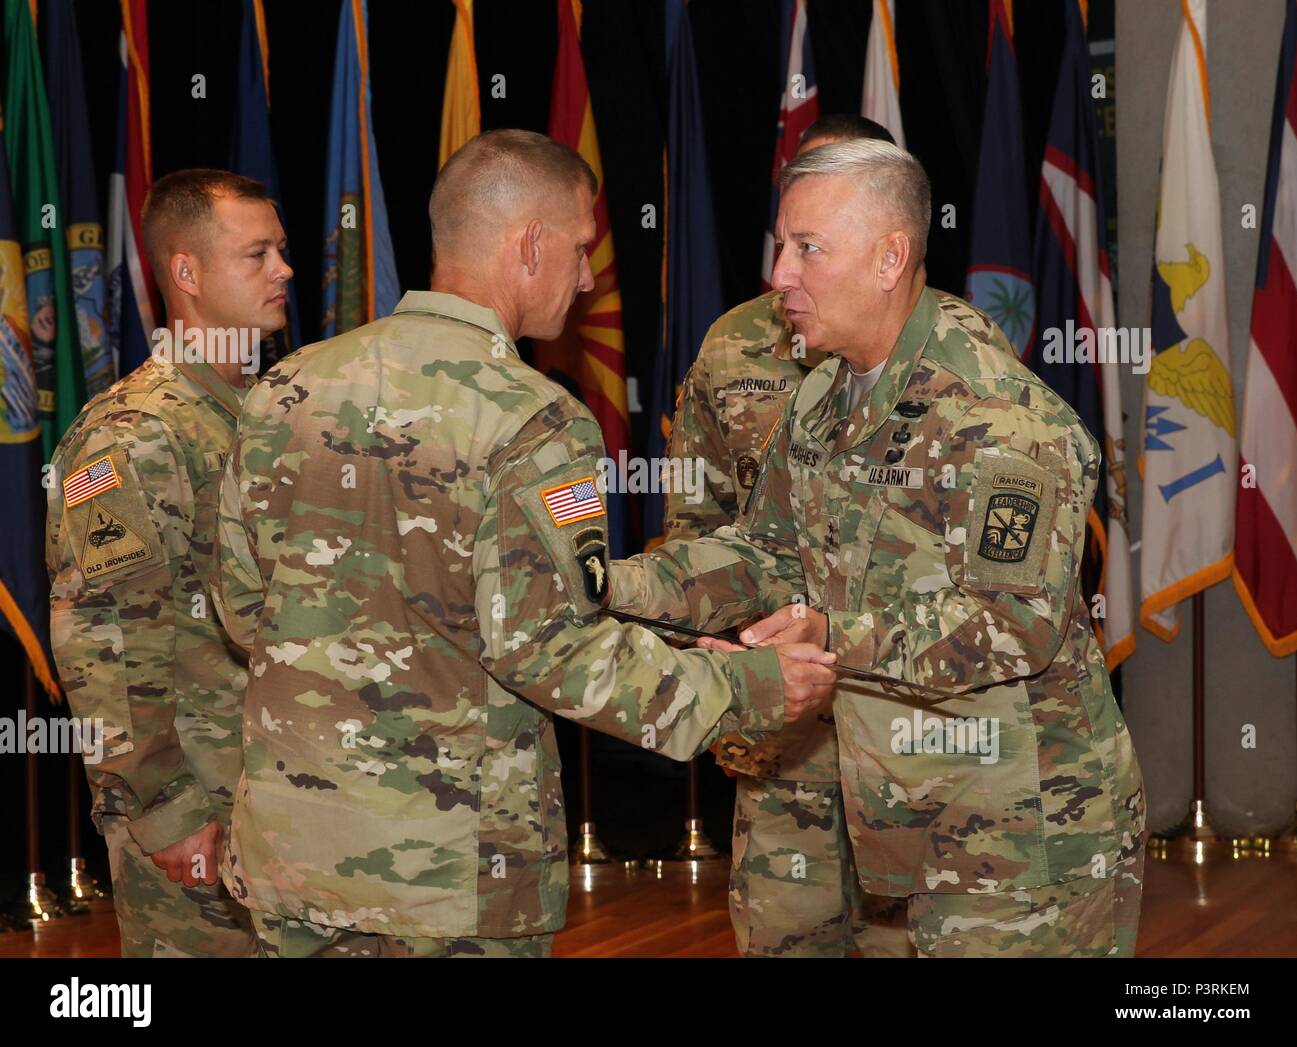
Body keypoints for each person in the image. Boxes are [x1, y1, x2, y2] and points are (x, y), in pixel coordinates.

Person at [210, 129, 836, 959]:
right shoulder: (533, 417)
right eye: (580, 252)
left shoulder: (283, 389)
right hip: (446, 875)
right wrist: (747, 684)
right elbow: (550, 646)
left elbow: (243, 608)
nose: (586, 278)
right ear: (529, 245)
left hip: (293, 857)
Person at [611, 139, 1146, 957]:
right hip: (904, 809)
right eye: (781, 246)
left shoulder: (998, 416)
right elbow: (763, 555)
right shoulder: (827, 391)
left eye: (808, 249)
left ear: (891, 256)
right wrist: (612, 583)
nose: (781, 274)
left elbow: (1012, 626)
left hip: (1026, 837)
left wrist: (831, 635)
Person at [665, 113, 916, 958]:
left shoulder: (954, 359)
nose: (789, 266)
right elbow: (696, 519)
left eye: (814, 238)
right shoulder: (731, 345)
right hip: (784, 731)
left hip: (908, 728)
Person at [46, 168, 293, 956]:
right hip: (203, 812)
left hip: (286, 805)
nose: (285, 269)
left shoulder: (265, 413)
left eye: (281, 250)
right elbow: (104, 642)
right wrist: (165, 812)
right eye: (257, 254)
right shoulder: (133, 434)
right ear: (186, 274)